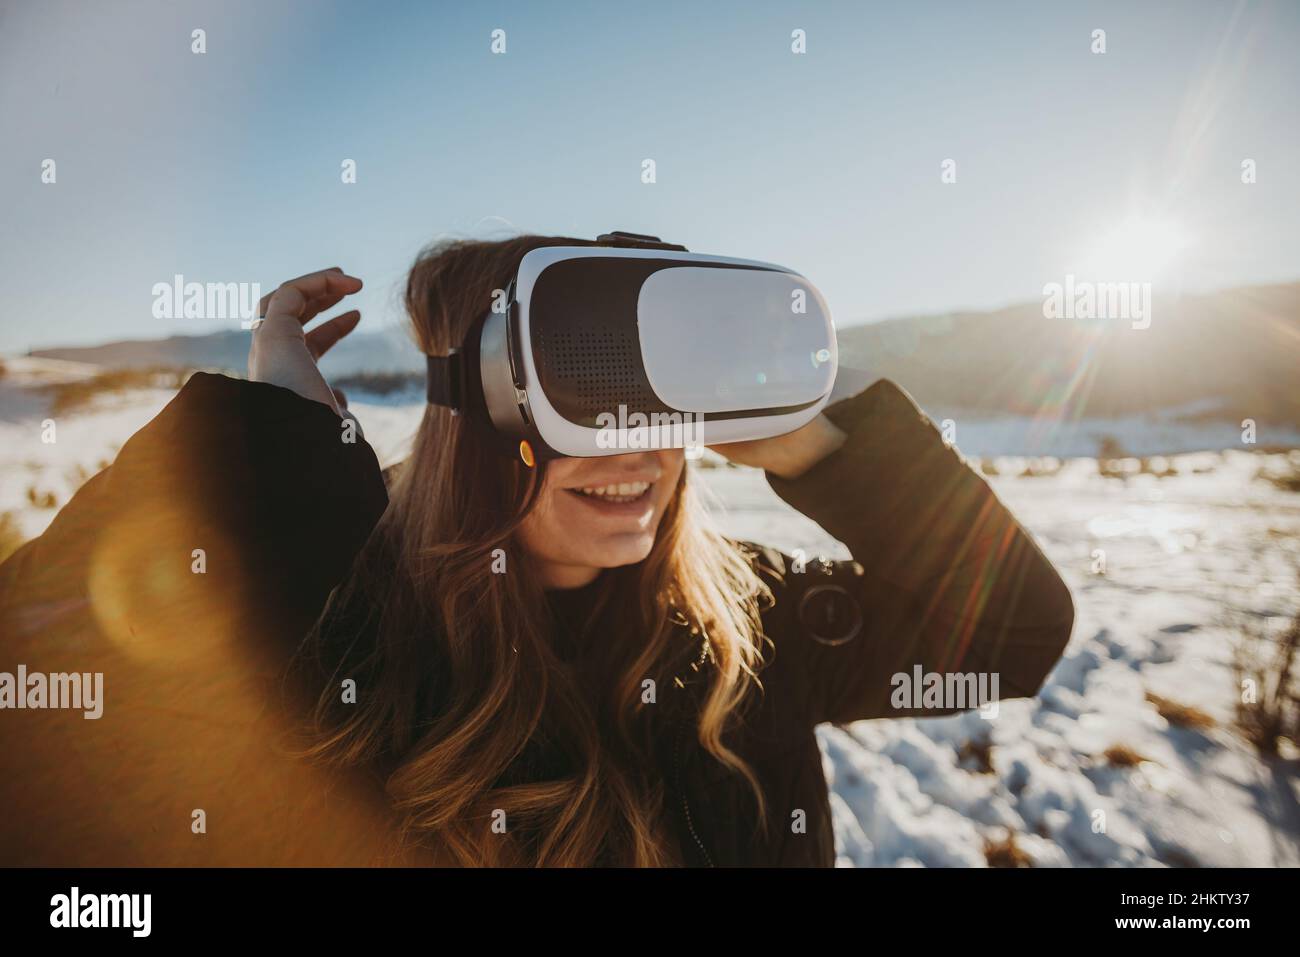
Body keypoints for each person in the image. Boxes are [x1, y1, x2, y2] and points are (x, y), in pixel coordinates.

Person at [0, 235, 1074, 867]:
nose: (638, 448)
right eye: (588, 395)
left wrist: (821, 447)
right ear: (475, 410)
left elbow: (1014, 634)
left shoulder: (752, 627)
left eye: (661, 399)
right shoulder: (341, 647)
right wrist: (270, 447)